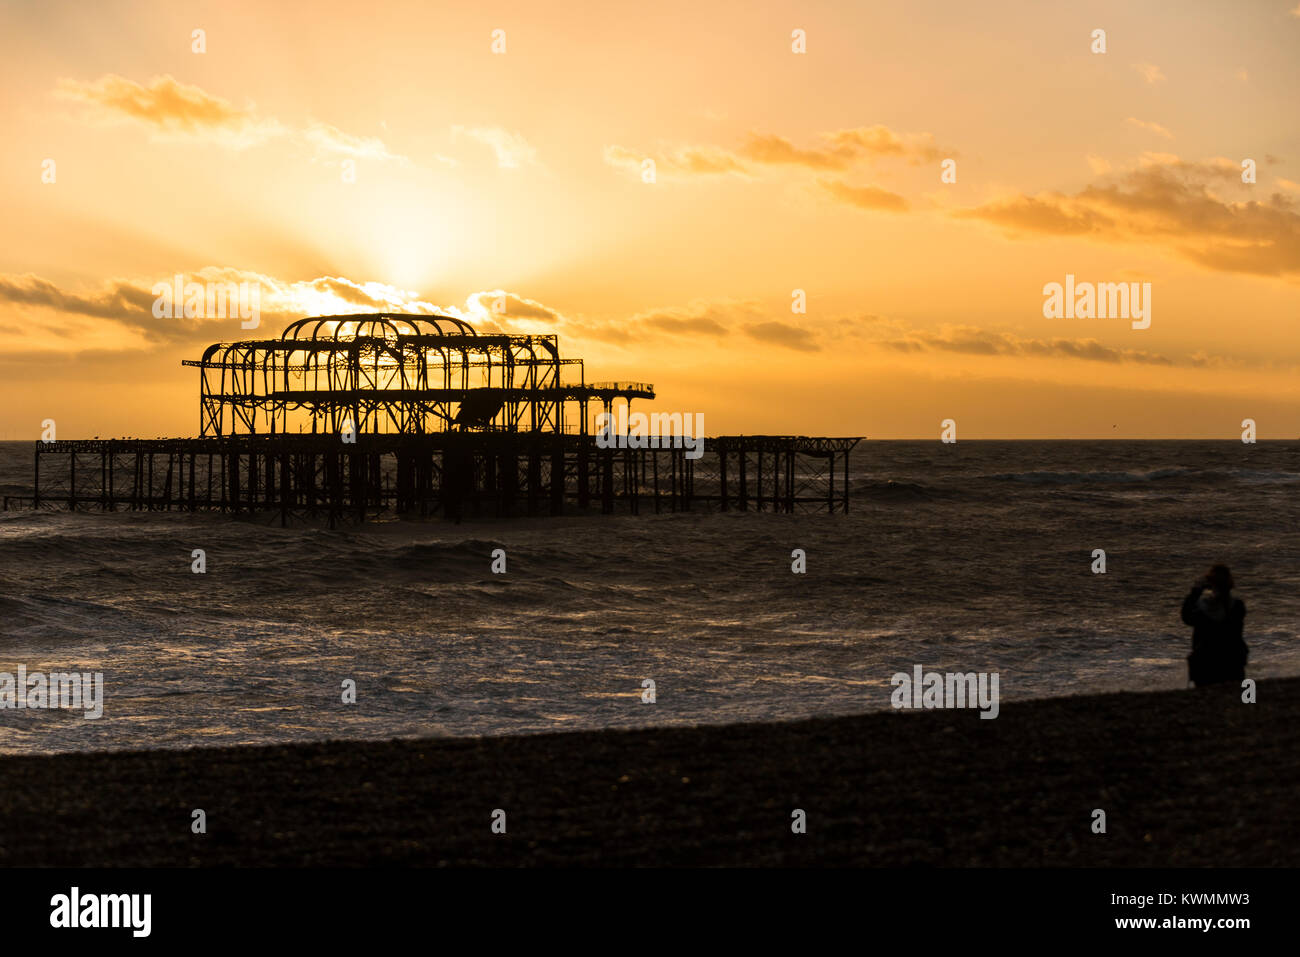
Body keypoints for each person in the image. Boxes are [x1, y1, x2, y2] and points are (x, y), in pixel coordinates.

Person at [1180, 564, 1247, 687]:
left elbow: (1186, 617)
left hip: (1205, 663)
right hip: (1232, 661)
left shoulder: (1203, 609)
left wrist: (1195, 592)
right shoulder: (1237, 606)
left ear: (1210, 583)